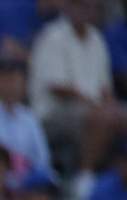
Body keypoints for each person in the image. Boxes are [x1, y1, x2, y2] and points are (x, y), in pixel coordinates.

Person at [30, 0, 122, 173]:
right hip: (52, 113)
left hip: (90, 108)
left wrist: (110, 106)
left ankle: (113, 177)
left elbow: (105, 87)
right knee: (102, 117)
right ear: (69, 7)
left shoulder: (96, 38)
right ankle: (83, 178)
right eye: (81, 6)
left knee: (118, 115)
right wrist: (96, 105)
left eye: (92, 7)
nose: (86, 12)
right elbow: (58, 88)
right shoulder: (53, 36)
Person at [0, 56, 52, 177]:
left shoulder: (29, 118)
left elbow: (42, 159)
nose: (10, 83)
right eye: (4, 77)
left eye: (14, 78)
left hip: (26, 184)